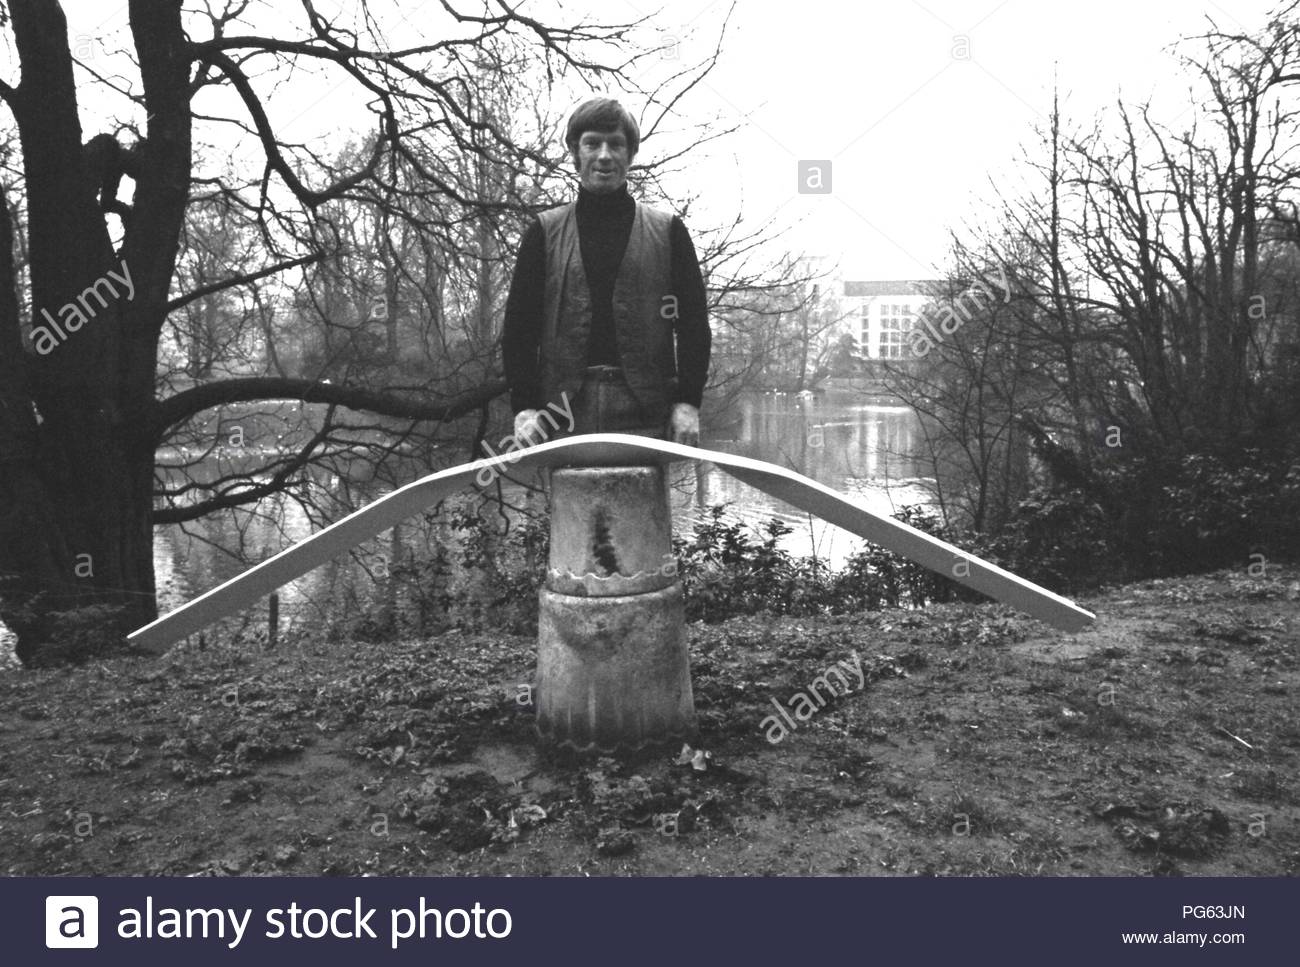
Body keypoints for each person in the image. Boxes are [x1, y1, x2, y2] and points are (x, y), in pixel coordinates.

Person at [502, 97, 710, 448]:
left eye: (616, 144)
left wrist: (689, 402)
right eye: (592, 143)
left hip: (647, 416)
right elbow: (520, 329)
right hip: (562, 417)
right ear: (574, 151)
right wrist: (525, 408)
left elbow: (692, 325)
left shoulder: (668, 231)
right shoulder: (544, 232)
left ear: (630, 155)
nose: (604, 155)